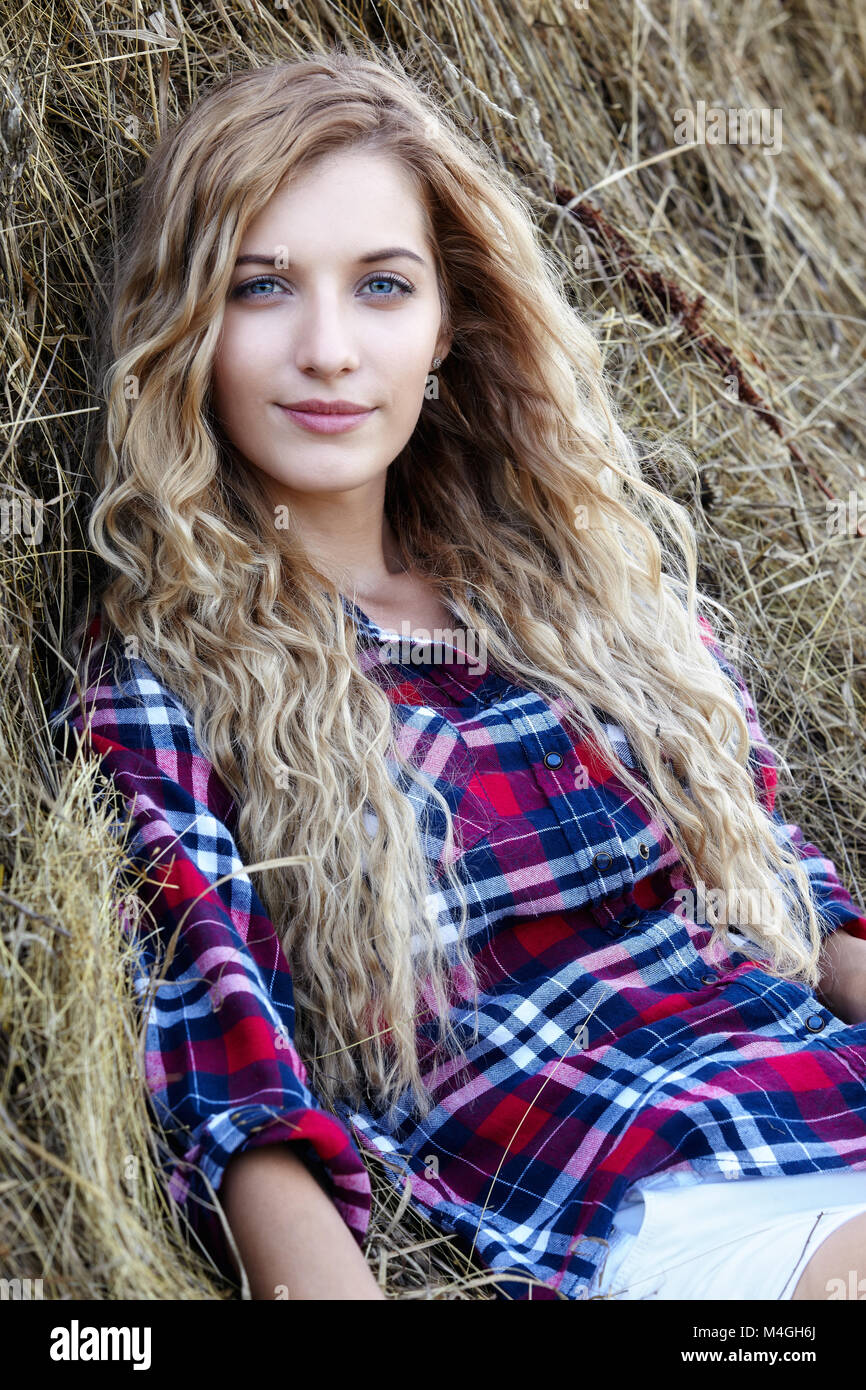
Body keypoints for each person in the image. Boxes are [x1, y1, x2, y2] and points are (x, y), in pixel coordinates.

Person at [50, 48, 866, 1302]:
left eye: (381, 285)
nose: (329, 349)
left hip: (820, 1097)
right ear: (190, 330)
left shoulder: (584, 595)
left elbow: (785, 893)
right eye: (263, 288)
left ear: (446, 324)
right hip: (661, 1206)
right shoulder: (169, 674)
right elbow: (225, 1056)